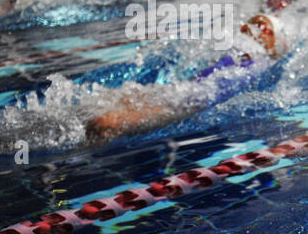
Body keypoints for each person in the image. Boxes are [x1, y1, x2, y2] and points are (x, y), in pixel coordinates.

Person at [84, 15, 289, 143]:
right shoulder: (239, 49)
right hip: (184, 89)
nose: (249, 28)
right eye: (251, 23)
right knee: (111, 102)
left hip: (195, 100)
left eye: (261, 27)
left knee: (104, 123)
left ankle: (86, 151)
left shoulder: (262, 61)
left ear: (273, 40)